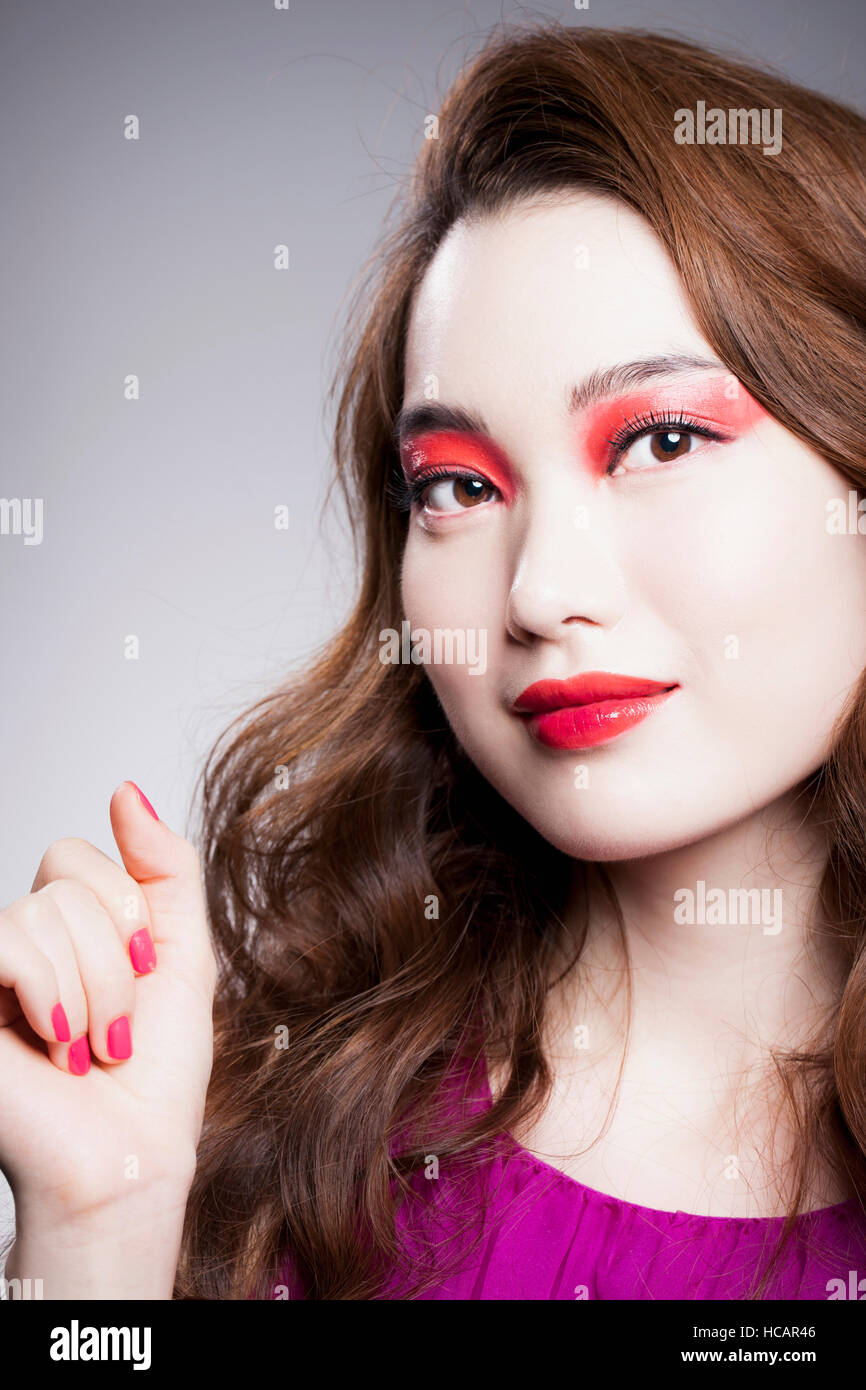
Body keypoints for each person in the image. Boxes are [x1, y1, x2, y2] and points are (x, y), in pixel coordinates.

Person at [3, 21, 866, 1301]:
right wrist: (96, 1244)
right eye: (458, 485)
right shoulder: (290, 1122)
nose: (538, 590)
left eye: (662, 441)